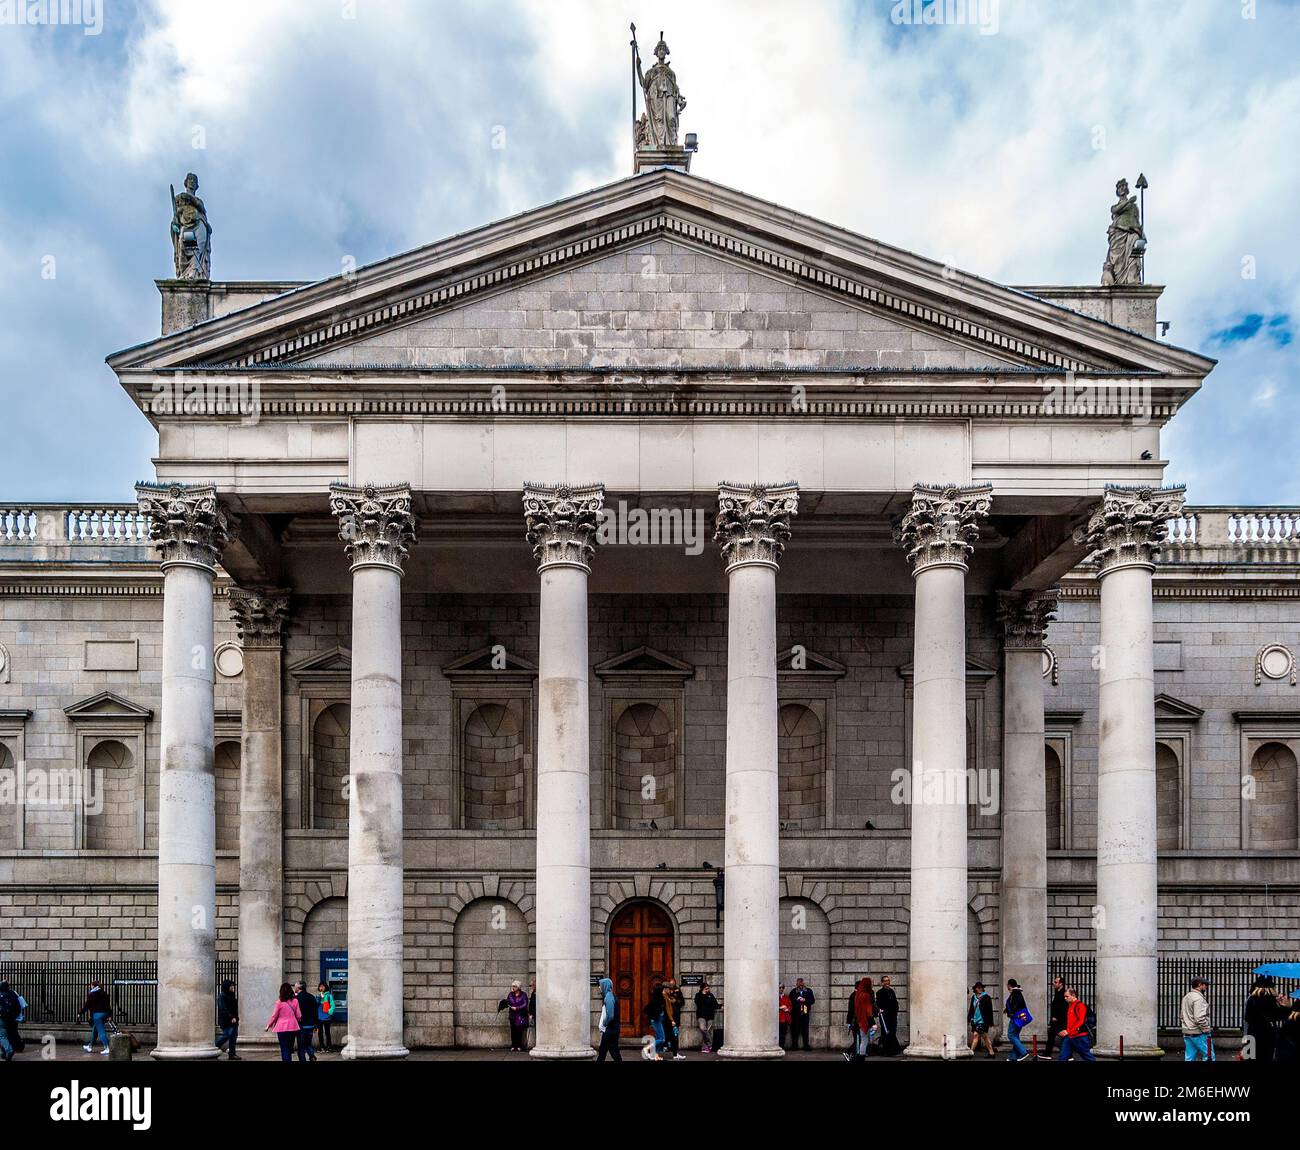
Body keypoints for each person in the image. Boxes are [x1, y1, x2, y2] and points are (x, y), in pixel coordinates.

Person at [1243, 975, 1291, 1063]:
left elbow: (1247, 1019)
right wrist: (1285, 1006)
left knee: (1251, 1059)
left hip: (1252, 1035)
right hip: (1268, 1036)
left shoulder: (1250, 999)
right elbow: (1281, 1016)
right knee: (1266, 1058)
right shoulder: (1271, 1000)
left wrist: (1245, 1040)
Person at [1057, 986, 1096, 1061]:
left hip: (1079, 1037)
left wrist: (1068, 1031)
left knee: (1087, 1057)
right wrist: (1067, 1031)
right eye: (1064, 996)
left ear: (1073, 995)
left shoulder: (1080, 1006)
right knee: (1062, 1057)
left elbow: (1080, 1021)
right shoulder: (1071, 1006)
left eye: (1067, 996)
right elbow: (1071, 1022)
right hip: (1070, 1036)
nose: (1065, 998)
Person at [266, 983, 303, 1062]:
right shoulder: (295, 1001)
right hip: (293, 1027)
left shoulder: (279, 1002)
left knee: (284, 1048)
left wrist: (268, 1025)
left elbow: (274, 1016)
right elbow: (299, 1015)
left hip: (281, 1028)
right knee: (289, 1048)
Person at [1180, 977, 1214, 1062]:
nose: (1206, 986)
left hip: (1187, 1032)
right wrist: (1206, 1028)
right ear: (1200, 985)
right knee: (1209, 1056)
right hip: (1199, 1033)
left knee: (1189, 1058)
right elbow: (1199, 1018)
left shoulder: (1186, 997)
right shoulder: (1198, 998)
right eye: (1205, 985)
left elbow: (1182, 1015)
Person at [78, 980, 112, 1055]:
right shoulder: (104, 993)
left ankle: (107, 1048)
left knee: (101, 1031)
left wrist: (80, 1013)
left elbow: (87, 1005)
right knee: (95, 1031)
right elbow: (108, 1005)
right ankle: (89, 1046)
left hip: (97, 1015)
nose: (90, 987)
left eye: (91, 985)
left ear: (93, 986)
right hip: (105, 1013)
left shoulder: (92, 994)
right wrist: (109, 1015)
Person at [845, 977, 875, 1062]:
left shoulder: (858, 994)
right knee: (864, 1041)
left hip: (859, 1020)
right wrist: (873, 1023)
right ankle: (859, 1058)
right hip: (863, 1021)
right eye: (871, 983)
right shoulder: (866, 995)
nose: (872, 985)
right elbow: (868, 1011)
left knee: (862, 1040)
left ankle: (857, 1057)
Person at [1004, 979, 1031, 1062]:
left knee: (1011, 1035)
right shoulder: (1016, 992)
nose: (1007, 987)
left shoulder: (1015, 993)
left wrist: (1011, 1012)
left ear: (1009, 985)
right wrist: (1007, 1009)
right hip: (1017, 1016)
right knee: (1015, 1036)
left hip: (1016, 1017)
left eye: (1007, 985)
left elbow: (1016, 1004)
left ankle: (1023, 1052)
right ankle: (1013, 1057)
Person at [596, 977, 622, 1062]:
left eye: (600, 985)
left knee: (606, 1052)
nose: (599, 987)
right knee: (608, 1051)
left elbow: (610, 1016)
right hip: (613, 1029)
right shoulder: (610, 996)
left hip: (610, 1030)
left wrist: (604, 1023)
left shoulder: (608, 997)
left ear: (605, 986)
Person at [875, 975, 901, 1056]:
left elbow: (895, 1002)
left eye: (888, 980)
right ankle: (886, 1050)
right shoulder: (879, 992)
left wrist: (896, 1010)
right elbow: (879, 1004)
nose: (887, 982)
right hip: (885, 1016)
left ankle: (890, 1050)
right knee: (886, 1032)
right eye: (885, 981)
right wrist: (881, 1011)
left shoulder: (891, 991)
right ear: (882, 983)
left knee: (893, 1032)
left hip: (893, 1015)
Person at [293, 981, 319, 1062]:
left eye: (295, 986)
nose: (294, 988)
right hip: (311, 1025)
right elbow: (315, 1012)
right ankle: (312, 1056)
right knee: (308, 1043)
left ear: (299, 988)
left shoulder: (296, 999)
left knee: (301, 1046)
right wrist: (315, 1025)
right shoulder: (311, 997)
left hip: (301, 1025)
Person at [1043, 976, 1068, 1059]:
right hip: (1057, 1019)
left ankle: (1048, 1054)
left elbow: (1063, 1007)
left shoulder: (1062, 994)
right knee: (1053, 1036)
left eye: (1056, 982)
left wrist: (1056, 1017)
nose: (1053, 983)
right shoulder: (1058, 992)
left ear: (1061, 983)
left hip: (1059, 1020)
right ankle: (1048, 1054)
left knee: (1060, 1037)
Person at [216, 978, 240, 1060]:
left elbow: (234, 1008)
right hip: (227, 1020)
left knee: (233, 1037)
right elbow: (223, 1009)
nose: (233, 987)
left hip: (234, 1020)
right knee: (227, 1035)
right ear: (227, 986)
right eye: (231, 986)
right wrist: (231, 1017)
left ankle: (232, 1054)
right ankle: (216, 1046)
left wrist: (236, 1018)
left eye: (233, 986)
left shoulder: (232, 995)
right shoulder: (222, 996)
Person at [968, 982, 995, 1057]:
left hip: (983, 1021)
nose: (980, 989)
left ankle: (970, 1053)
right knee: (985, 1037)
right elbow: (971, 1009)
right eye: (978, 988)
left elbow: (990, 1010)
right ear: (975, 989)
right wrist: (969, 1018)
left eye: (981, 988)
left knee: (976, 1035)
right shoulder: (974, 997)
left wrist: (991, 1022)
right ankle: (991, 1053)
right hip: (975, 1020)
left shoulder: (986, 997)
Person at [790, 978, 815, 1051]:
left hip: (805, 1013)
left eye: (801, 984)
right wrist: (796, 999)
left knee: (805, 1030)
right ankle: (794, 1045)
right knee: (795, 1030)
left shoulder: (808, 991)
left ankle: (806, 1046)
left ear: (803, 984)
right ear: (796, 984)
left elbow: (812, 1000)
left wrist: (805, 1000)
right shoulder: (793, 991)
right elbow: (790, 1000)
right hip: (796, 1014)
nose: (800, 986)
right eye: (798, 984)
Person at [694, 982, 719, 1054]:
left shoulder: (711, 995)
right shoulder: (698, 995)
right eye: (706, 988)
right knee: (703, 1029)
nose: (708, 990)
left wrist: (720, 1006)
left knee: (708, 1031)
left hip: (710, 1016)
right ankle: (710, 1043)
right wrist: (704, 995)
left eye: (708, 988)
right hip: (701, 1015)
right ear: (702, 989)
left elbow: (715, 1004)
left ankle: (706, 1047)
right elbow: (698, 1003)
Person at [662, 979, 684, 1059]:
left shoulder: (667, 996)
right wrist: (672, 1020)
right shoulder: (664, 997)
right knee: (664, 1038)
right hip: (667, 1020)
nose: (670, 990)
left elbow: (681, 1002)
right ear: (665, 989)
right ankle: (649, 1050)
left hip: (670, 1019)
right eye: (669, 989)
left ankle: (675, 1054)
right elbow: (668, 1010)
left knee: (673, 1037)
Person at [0, 979, 21, 1061]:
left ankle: (9, 1050)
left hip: (1, 1018)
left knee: (2, 1035)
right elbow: (18, 1006)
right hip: (11, 1019)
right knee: (6, 1035)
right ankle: (3, 1053)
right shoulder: (13, 993)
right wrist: (14, 1016)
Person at [506, 980, 530, 1052]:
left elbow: (525, 1004)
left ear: (518, 987)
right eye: (512, 986)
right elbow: (508, 1002)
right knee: (513, 1030)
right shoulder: (510, 994)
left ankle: (519, 1045)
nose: (513, 987)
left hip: (520, 1015)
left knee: (519, 1031)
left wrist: (517, 1008)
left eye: (514, 986)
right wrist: (506, 1004)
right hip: (512, 1015)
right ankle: (513, 1045)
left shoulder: (523, 994)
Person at [646, 980, 666, 1055]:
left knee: (658, 1038)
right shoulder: (658, 999)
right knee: (662, 1039)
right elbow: (650, 1009)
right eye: (663, 989)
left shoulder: (656, 998)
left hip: (657, 1020)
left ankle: (654, 1055)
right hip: (656, 1020)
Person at [316, 982, 335, 1052]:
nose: (321, 988)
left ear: (325, 987)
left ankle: (329, 1046)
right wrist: (319, 998)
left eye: (323, 986)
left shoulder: (329, 996)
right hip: (319, 1017)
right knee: (320, 1033)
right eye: (320, 986)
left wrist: (329, 1012)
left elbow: (333, 1005)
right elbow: (316, 1005)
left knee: (327, 1032)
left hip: (327, 1017)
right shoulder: (318, 996)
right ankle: (321, 1046)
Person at [778, 984, 792, 1050]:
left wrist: (787, 1009)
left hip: (784, 1019)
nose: (781, 989)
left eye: (782, 987)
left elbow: (790, 1006)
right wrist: (780, 1007)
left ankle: (782, 1047)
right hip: (777, 1019)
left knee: (783, 1034)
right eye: (780, 987)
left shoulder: (786, 997)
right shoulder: (775, 997)